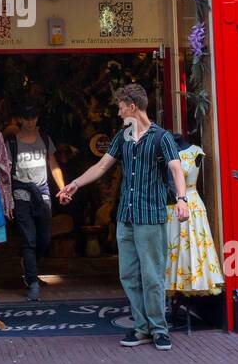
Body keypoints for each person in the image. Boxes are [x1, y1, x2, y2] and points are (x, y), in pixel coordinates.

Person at [58, 84, 186, 350]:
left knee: (152, 274)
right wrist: (76, 184)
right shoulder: (123, 137)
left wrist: (182, 199)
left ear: (132, 107)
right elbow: (102, 165)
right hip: (126, 215)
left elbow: (176, 168)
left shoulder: (161, 137)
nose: (117, 112)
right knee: (128, 274)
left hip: (150, 214)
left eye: (120, 107)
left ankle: (159, 329)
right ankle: (142, 328)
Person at [7, 103, 66, 301]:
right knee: (29, 239)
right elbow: (5, 173)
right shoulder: (12, 143)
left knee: (44, 238)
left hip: (42, 193)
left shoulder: (44, 139)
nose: (31, 122)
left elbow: (53, 164)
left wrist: (63, 188)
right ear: (20, 119)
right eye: (27, 117)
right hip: (21, 193)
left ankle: (28, 264)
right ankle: (32, 282)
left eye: (34, 117)